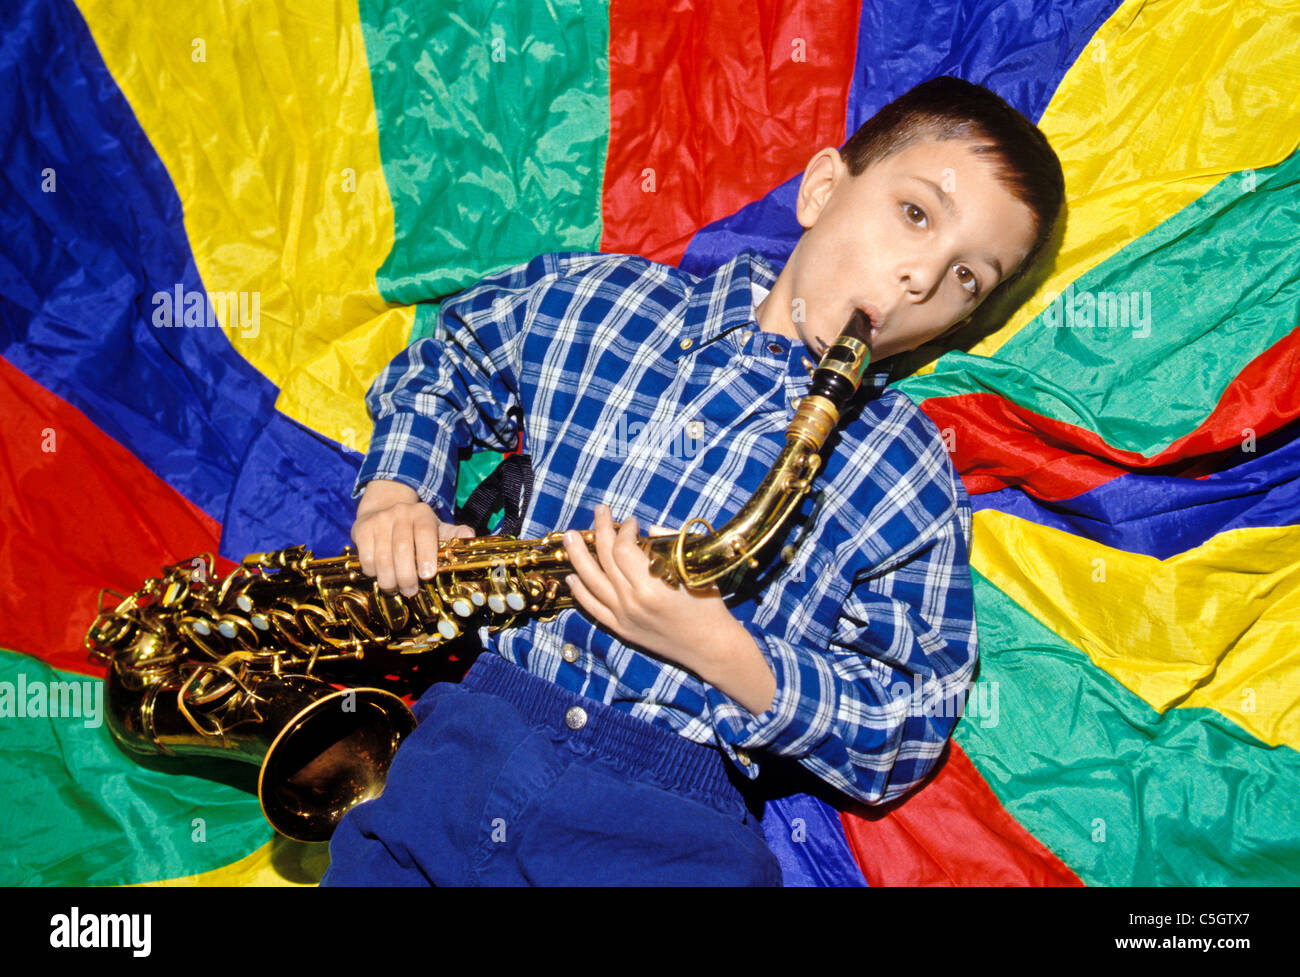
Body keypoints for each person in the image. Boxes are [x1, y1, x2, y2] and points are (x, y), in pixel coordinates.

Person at [320, 75, 1064, 885]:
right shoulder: (605, 299)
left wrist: (729, 654)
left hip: (670, 828)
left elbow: (908, 718)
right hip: (463, 750)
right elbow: (452, 354)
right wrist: (398, 490)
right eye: (916, 214)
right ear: (821, 189)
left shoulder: (908, 468)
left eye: (967, 279)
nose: (922, 277)